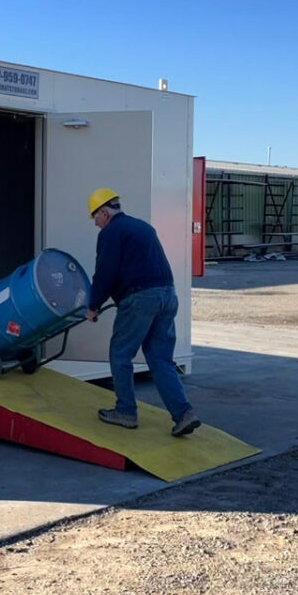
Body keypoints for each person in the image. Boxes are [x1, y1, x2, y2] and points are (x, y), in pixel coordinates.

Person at [84, 187, 201, 437]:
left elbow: (105, 273)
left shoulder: (111, 232)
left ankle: (125, 411)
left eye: (95, 217)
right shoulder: (143, 228)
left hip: (140, 298)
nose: (95, 224)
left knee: (120, 353)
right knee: (160, 359)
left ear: (104, 212)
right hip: (167, 296)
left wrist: (93, 306)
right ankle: (184, 414)